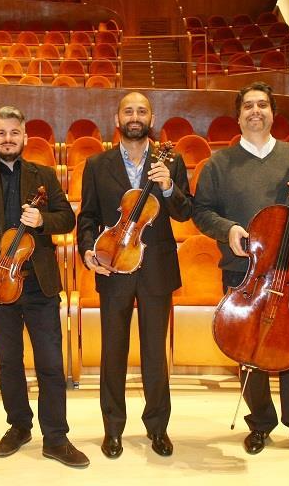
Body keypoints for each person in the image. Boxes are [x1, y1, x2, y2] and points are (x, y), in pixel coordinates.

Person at [192, 81, 289, 465]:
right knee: (248, 349)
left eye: (263, 105)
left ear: (273, 114)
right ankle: (260, 423)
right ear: (238, 116)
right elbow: (201, 211)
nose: (256, 111)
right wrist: (229, 230)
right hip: (244, 272)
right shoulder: (219, 164)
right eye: (249, 106)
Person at [0, 105, 89, 468]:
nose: (8, 139)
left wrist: (42, 220)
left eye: (15, 133)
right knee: (9, 362)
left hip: (39, 287)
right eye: (2, 133)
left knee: (50, 363)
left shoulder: (43, 174)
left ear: (25, 137)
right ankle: (19, 425)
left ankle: (56, 437)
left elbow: (68, 219)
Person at [77, 91, 193, 459]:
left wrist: (168, 187)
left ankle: (157, 428)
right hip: (114, 268)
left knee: (155, 353)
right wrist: (89, 250)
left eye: (142, 111)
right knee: (113, 351)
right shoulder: (97, 164)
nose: (135, 116)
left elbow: (184, 212)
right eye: (128, 110)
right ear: (117, 117)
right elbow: (88, 219)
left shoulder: (170, 162)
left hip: (156, 269)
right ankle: (113, 429)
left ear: (151, 118)